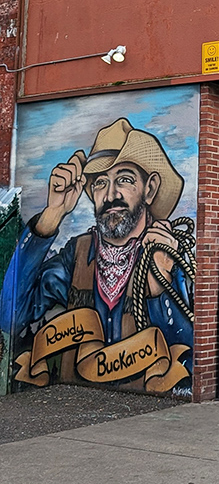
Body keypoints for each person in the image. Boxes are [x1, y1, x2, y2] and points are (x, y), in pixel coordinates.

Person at [0, 118, 193, 379]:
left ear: (150, 189)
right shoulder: (76, 254)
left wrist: (159, 287)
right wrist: (51, 217)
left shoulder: (170, 255)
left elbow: (188, 363)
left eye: (124, 179)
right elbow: (11, 317)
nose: (110, 194)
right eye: (100, 183)